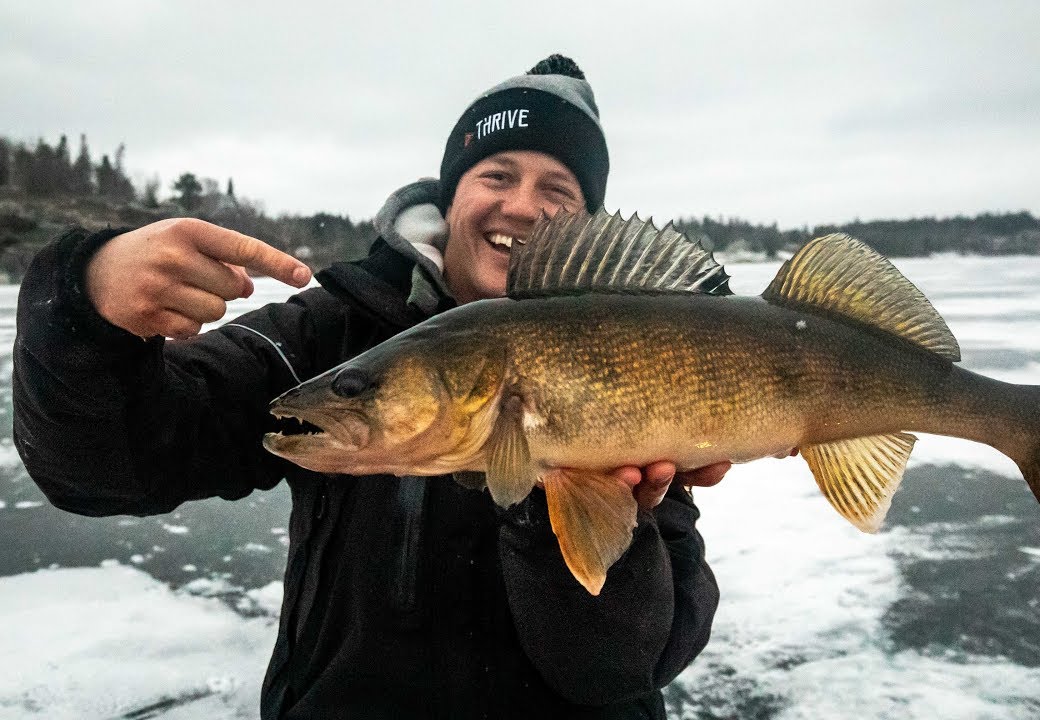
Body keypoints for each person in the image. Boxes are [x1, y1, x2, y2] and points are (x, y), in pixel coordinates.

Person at [13, 54, 724, 719]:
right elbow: (107, 466)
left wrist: (563, 496)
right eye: (497, 175)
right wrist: (84, 307)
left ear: (587, 224)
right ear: (452, 197)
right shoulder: (334, 329)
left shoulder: (642, 352)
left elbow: (630, 666)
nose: (522, 206)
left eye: (558, 188)